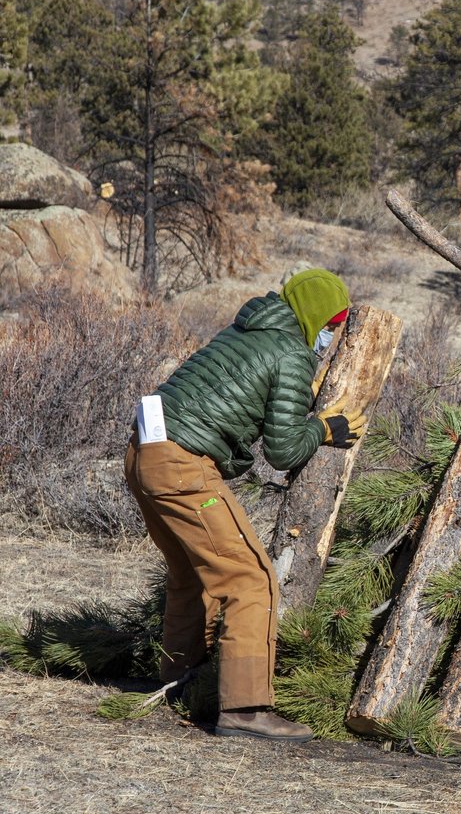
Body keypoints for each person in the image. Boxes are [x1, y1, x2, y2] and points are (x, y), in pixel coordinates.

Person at [124, 268, 366, 741]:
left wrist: (301, 405)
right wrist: (325, 429)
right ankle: (246, 708)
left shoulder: (249, 329)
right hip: (181, 463)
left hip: (142, 452)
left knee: (192, 575)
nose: (330, 337)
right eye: (331, 325)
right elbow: (284, 451)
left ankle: (177, 684)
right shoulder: (292, 353)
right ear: (312, 316)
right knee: (250, 577)